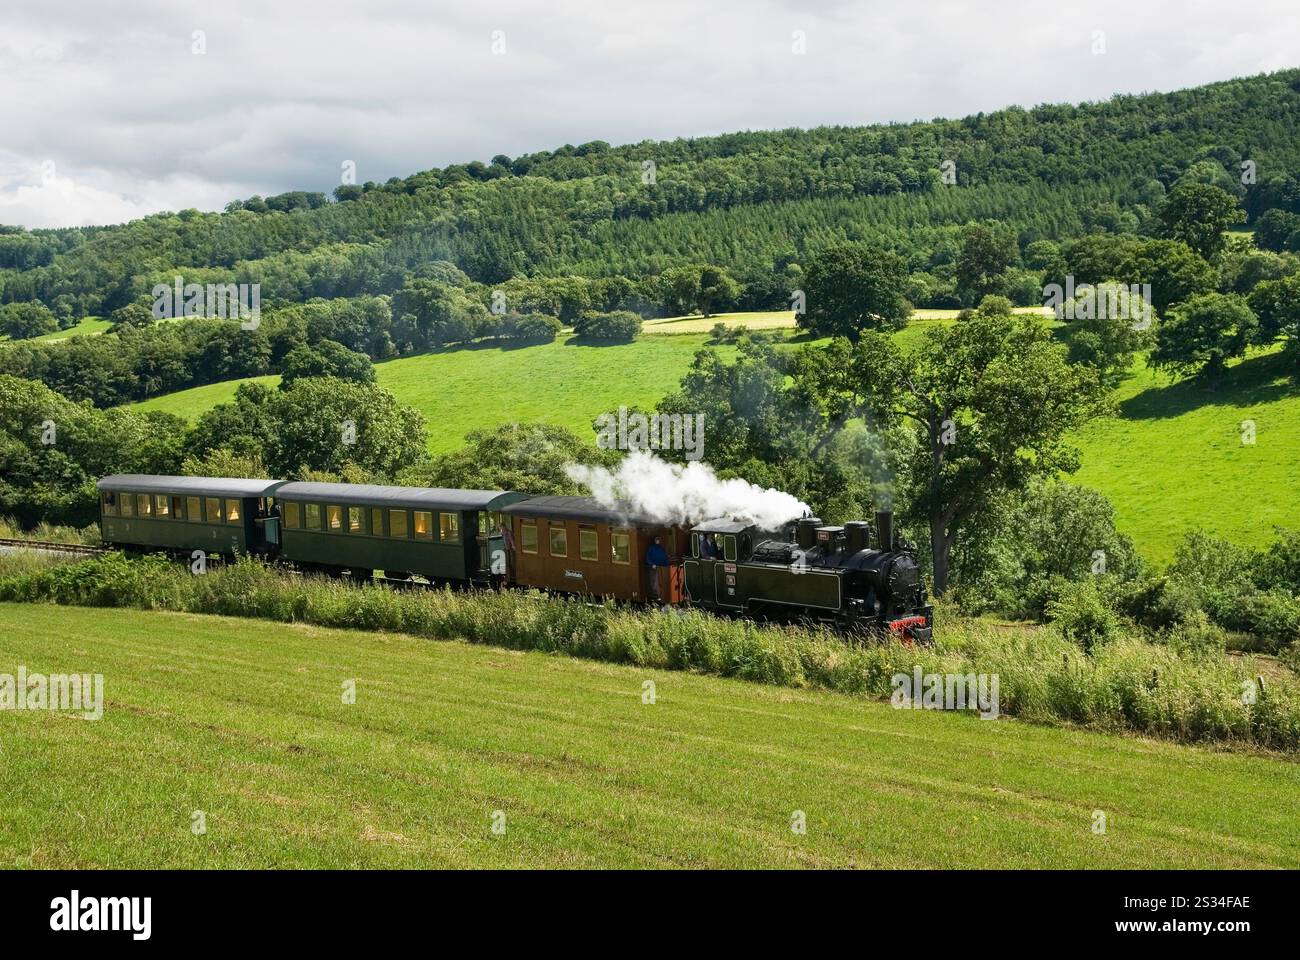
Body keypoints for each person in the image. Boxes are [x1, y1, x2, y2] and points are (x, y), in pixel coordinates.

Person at [645, 535, 670, 600]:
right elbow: (648, 557)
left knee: (660, 581)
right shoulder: (651, 548)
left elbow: (665, 558)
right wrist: (652, 564)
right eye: (656, 539)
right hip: (654, 568)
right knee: (654, 582)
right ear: (654, 540)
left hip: (662, 568)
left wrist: (667, 566)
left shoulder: (662, 549)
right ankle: (655, 595)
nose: (658, 541)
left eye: (658, 539)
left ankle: (660, 595)